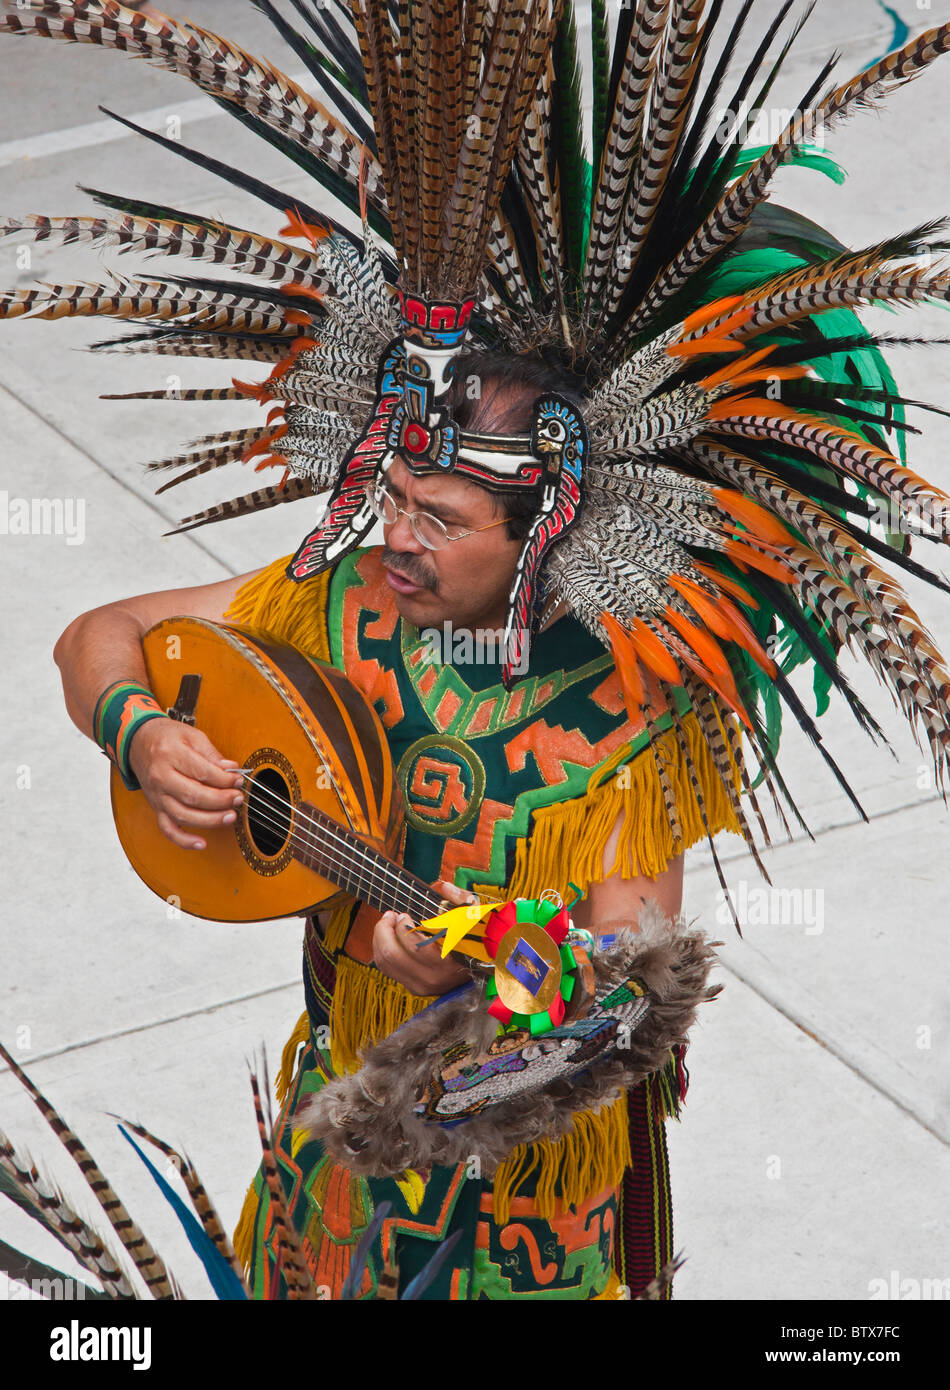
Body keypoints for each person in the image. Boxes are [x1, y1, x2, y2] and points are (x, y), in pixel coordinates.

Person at [53, 349, 732, 1299]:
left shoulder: (629, 708)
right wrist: (142, 733)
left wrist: (490, 988)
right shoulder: (335, 597)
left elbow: (624, 994)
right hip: (344, 1110)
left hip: (522, 1187)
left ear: (548, 533)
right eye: (396, 496)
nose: (399, 537)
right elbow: (98, 634)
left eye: (441, 520)